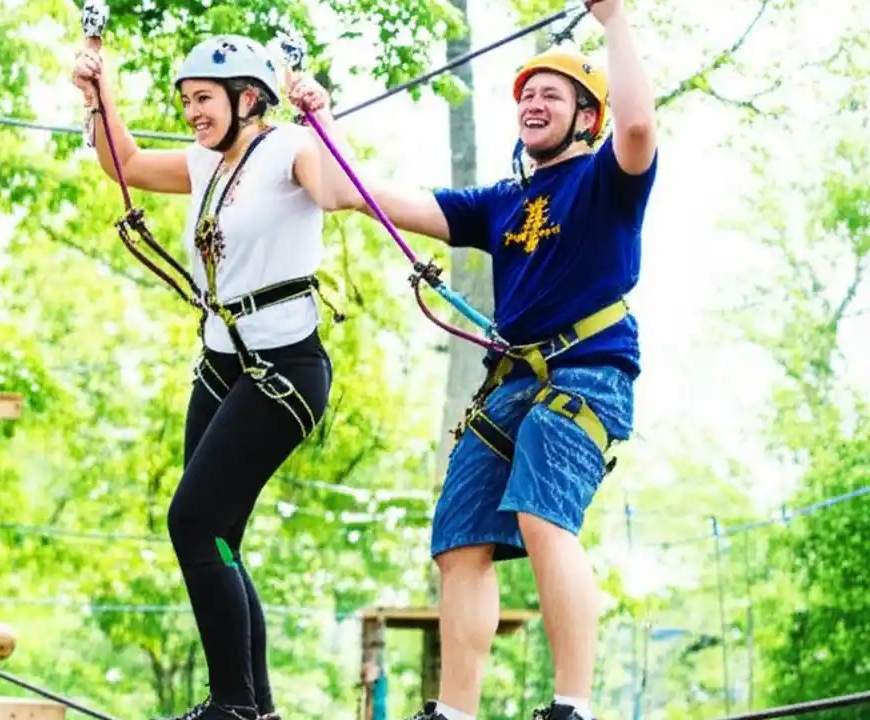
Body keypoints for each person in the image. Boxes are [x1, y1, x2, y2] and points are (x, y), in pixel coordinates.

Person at [288, 1, 658, 718]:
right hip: (509, 384)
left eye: (552, 93)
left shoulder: (608, 180)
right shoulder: (499, 205)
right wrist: (320, 123)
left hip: (586, 374)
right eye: (525, 95)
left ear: (588, 118)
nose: (532, 102)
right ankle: (455, 711)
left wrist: (614, 19)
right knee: (458, 540)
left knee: (542, 516)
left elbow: (639, 126)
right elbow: (355, 196)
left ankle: (572, 705)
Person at [72, 33, 362, 720]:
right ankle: (254, 708)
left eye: (203, 99)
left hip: (283, 369)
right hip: (221, 362)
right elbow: (128, 164)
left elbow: (341, 192)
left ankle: (233, 706)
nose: (193, 112)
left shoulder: (289, 149)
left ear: (248, 98)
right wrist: (98, 96)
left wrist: (323, 118)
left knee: (194, 523)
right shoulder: (206, 162)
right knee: (218, 535)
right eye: (187, 100)